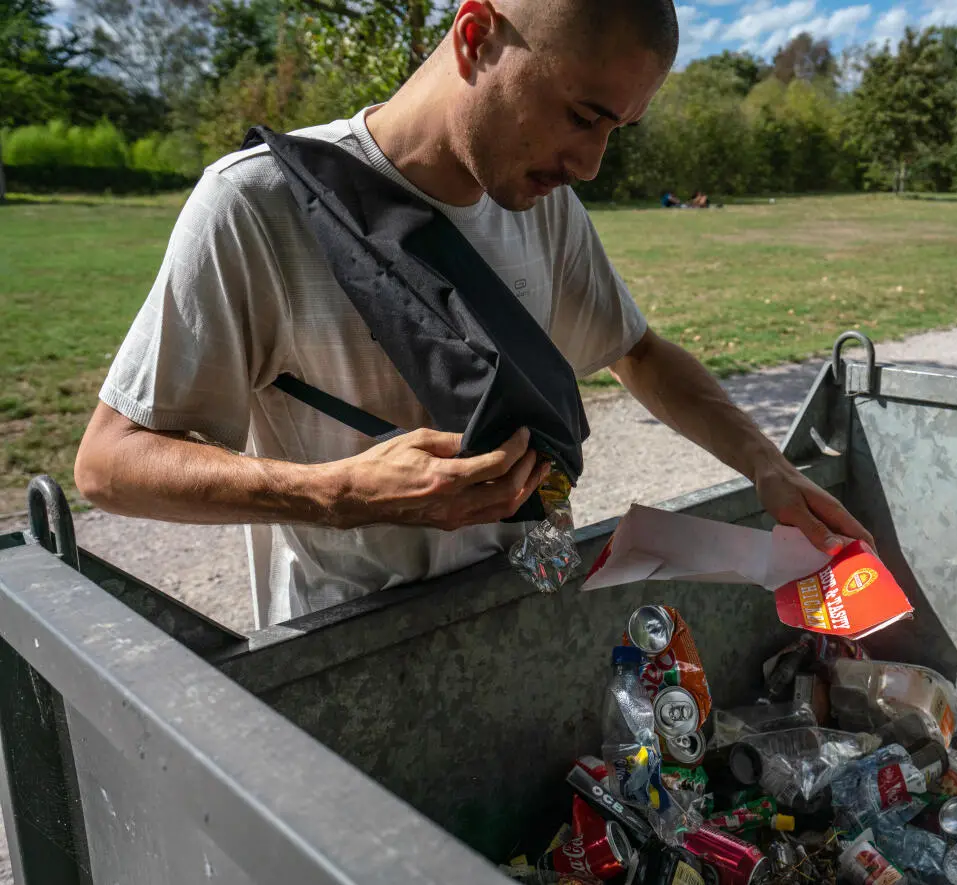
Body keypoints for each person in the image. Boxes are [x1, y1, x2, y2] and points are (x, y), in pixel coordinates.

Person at [74, 0, 873, 629]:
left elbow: (640, 352)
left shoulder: (544, 207)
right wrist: (337, 492)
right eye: (582, 115)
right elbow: (109, 464)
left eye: (616, 132)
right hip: (339, 655)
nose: (591, 164)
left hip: (506, 619)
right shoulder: (254, 206)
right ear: (476, 35)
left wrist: (765, 463)